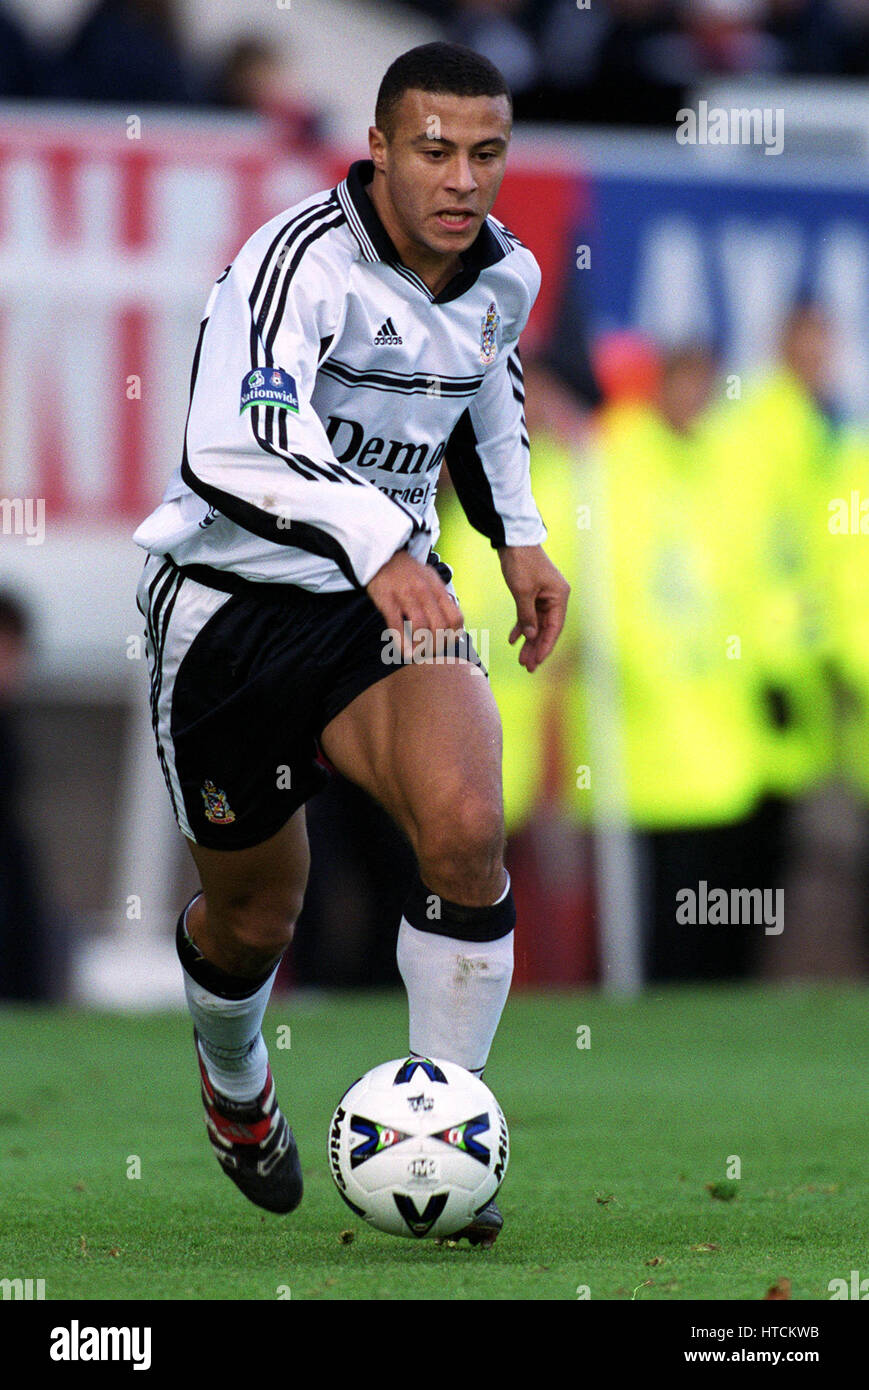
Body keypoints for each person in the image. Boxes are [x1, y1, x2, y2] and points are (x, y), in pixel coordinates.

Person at [132, 41, 569, 1246]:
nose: (461, 177)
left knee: (467, 829)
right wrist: (377, 541)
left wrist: (517, 537)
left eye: (485, 152)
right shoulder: (292, 265)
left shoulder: (501, 276)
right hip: (230, 611)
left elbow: (485, 395)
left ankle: (446, 1132)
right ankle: (234, 1091)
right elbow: (224, 449)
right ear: (377, 147)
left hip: (387, 613)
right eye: (434, 149)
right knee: (254, 919)